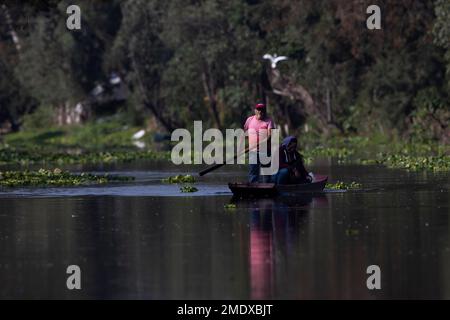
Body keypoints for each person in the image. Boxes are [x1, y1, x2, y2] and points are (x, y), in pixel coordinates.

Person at [243, 103, 275, 183]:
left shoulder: (269, 121)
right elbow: (245, 133)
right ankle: (254, 187)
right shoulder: (249, 120)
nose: (260, 111)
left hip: (265, 151)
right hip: (253, 151)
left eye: (262, 110)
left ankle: (267, 187)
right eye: (258, 109)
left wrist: (259, 143)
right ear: (255, 110)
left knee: (266, 173)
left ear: (264, 111)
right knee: (253, 173)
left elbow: (269, 136)